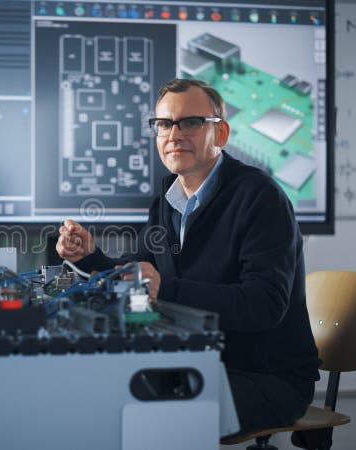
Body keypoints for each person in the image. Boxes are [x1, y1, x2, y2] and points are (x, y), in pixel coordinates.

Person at [56, 78, 320, 435]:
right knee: (96, 393)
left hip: (263, 376)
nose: (174, 134)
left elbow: (264, 304)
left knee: (139, 417)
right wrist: (89, 257)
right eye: (164, 124)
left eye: (191, 122)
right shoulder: (166, 199)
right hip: (192, 360)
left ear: (221, 134)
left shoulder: (260, 198)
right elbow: (139, 277)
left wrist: (166, 289)